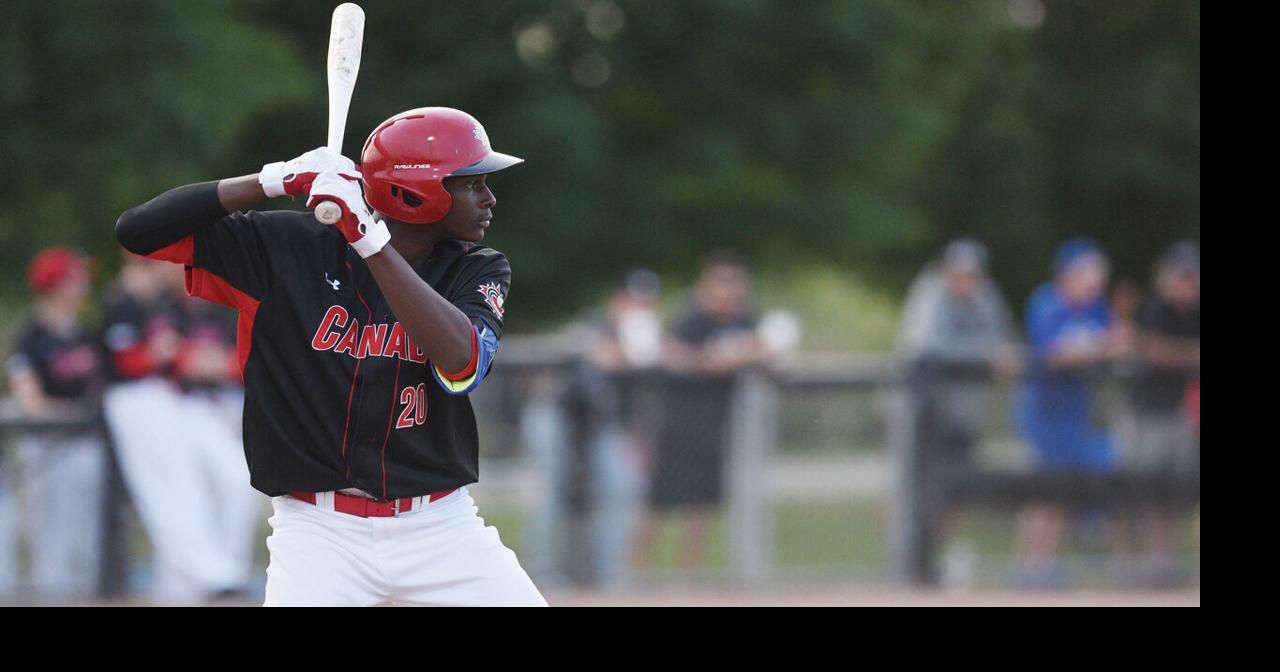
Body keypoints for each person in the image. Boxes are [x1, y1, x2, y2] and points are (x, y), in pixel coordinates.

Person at [115, 107, 545, 606]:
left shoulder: (478, 269)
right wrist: (273, 180)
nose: (488, 198)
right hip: (319, 533)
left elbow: (462, 365)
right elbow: (139, 232)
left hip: (440, 528)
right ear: (415, 192)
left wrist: (369, 240)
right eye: (471, 183)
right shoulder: (287, 247)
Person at [101, 255, 262, 601]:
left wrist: (199, 361)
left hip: (191, 402)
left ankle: (223, 572)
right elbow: (127, 363)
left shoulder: (179, 304)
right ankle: (209, 575)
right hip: (148, 400)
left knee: (234, 480)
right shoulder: (128, 301)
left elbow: (223, 361)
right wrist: (181, 358)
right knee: (174, 493)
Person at [633, 252, 765, 571]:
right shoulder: (689, 317)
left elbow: (764, 349)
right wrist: (722, 358)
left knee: (701, 504)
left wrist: (735, 355)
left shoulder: (743, 320)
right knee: (656, 503)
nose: (729, 292)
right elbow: (674, 355)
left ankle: (689, 576)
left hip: (715, 424)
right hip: (675, 423)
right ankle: (636, 575)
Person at [1014, 238, 1121, 583]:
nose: (1095, 282)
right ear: (1067, 274)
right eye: (1088, 273)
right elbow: (1053, 354)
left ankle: (1046, 566)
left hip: (1076, 412)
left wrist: (1108, 343)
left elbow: (1116, 343)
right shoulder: (1048, 302)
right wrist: (1098, 348)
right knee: (1043, 490)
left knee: (1063, 491)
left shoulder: (1096, 307)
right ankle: (1029, 566)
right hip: (1044, 411)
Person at [3, 247, 106, 598]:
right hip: (50, 446)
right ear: (57, 285)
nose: (82, 286)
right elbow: (30, 401)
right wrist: (78, 413)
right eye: (75, 279)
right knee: (53, 534)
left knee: (93, 532)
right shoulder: (30, 335)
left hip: (89, 443)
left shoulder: (85, 333)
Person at [898, 238, 1019, 473]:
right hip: (922, 413)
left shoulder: (986, 295)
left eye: (972, 275)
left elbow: (1003, 341)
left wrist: (1001, 353)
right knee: (917, 485)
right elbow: (928, 345)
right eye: (958, 275)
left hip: (963, 412)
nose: (965, 282)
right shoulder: (930, 293)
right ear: (946, 271)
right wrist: (986, 352)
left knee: (960, 482)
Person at [1118, 242, 1199, 567]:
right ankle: (1123, 564)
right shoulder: (1154, 308)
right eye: (1182, 277)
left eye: (1192, 277)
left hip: (1176, 413)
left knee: (1173, 492)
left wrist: (1176, 352)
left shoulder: (1193, 314)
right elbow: (1151, 350)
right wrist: (1190, 353)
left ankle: (1161, 562)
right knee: (1133, 490)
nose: (1188, 284)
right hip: (1142, 413)